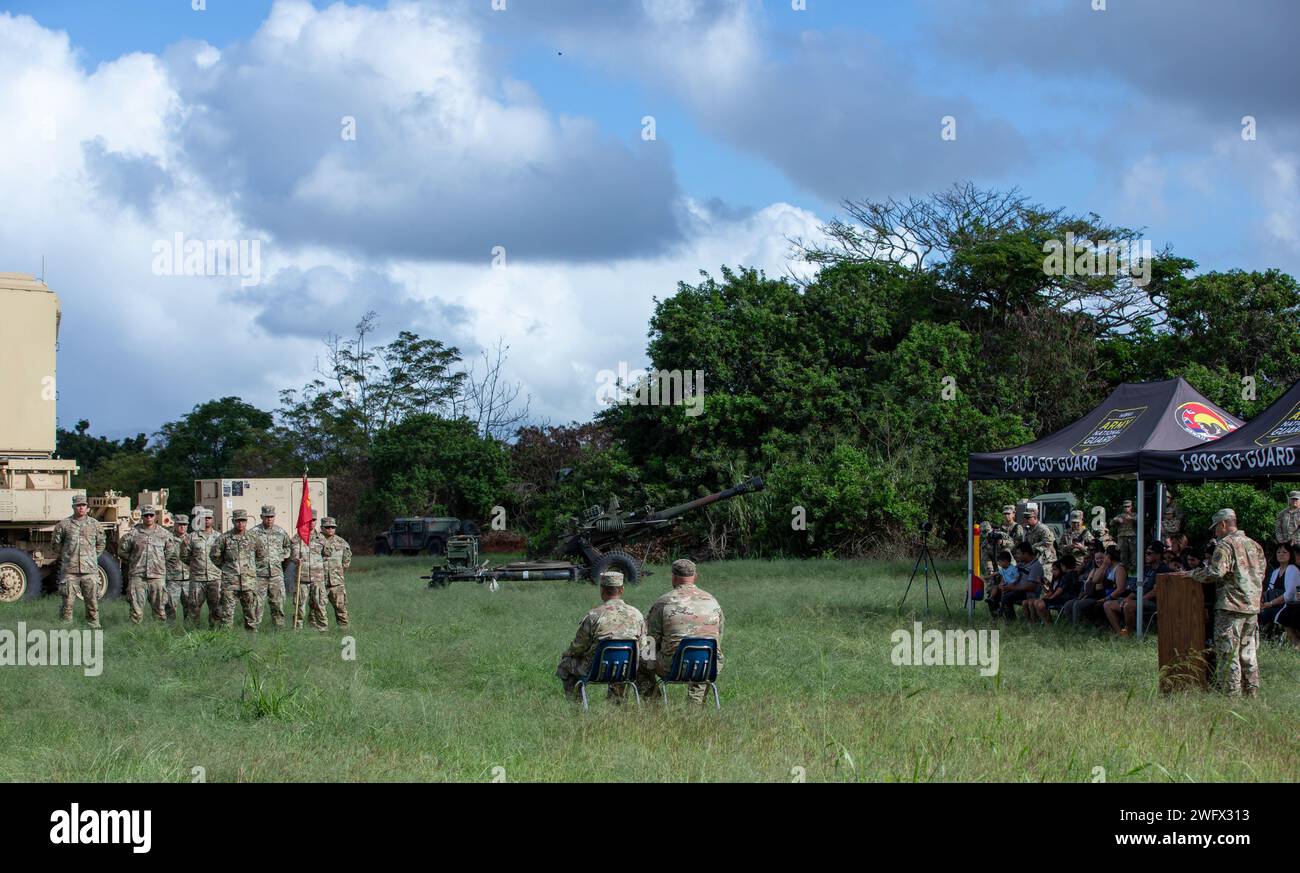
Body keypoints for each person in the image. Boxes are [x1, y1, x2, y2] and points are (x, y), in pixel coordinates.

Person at [1189, 508, 1266, 697]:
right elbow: (1261, 573)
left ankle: (1231, 695)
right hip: (1251, 607)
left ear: (1223, 524)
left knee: (1228, 652)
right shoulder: (1254, 545)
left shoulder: (1225, 545)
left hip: (1230, 607)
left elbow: (1216, 572)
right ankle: (1252, 692)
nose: (1215, 532)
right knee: (1248, 651)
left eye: (1216, 527)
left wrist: (1193, 574)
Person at [637, 559, 724, 704]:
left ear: (674, 577)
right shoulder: (712, 602)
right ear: (695, 576)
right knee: (701, 659)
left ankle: (653, 707)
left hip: (673, 666)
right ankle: (696, 705)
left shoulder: (663, 602)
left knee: (639, 661)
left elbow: (651, 640)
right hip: (709, 665)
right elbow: (718, 637)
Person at [556, 570, 647, 702]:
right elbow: (643, 648)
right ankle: (617, 703)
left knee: (565, 665)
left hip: (596, 670)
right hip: (626, 669)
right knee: (623, 663)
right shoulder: (637, 615)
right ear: (622, 589)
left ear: (602, 590)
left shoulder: (594, 616)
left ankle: (576, 705)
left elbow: (578, 647)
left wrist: (567, 654)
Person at [52, 493, 106, 628]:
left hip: (89, 571)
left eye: (83, 505)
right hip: (70, 571)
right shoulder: (64, 525)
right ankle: (66, 629)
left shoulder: (95, 525)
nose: (81, 508)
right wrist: (68, 556)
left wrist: (91, 557)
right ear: (73, 507)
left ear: (87, 507)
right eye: (78, 505)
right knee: (67, 604)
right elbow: (56, 545)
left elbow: (101, 543)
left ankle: (93, 626)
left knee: (92, 602)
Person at [119, 505, 180, 624]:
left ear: (155, 516)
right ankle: (135, 633)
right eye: (146, 515)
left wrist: (159, 562)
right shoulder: (133, 533)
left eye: (151, 515)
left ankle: (159, 633)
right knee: (136, 612)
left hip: (157, 577)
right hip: (138, 577)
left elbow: (170, 551)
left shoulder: (164, 534)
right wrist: (134, 561)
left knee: (159, 611)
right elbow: (122, 551)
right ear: (142, 517)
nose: (148, 517)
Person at [210, 508, 266, 632]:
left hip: (248, 583)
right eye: (238, 521)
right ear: (233, 521)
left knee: (251, 615)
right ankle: (227, 639)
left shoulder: (254, 538)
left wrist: (251, 569)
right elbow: (214, 555)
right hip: (230, 583)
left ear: (246, 521)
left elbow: (261, 556)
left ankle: (252, 639)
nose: (240, 523)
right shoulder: (224, 538)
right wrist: (226, 568)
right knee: (227, 615)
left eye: (243, 521)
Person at [1105, 542, 1167, 636]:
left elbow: (1155, 592)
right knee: (1108, 605)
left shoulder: (1163, 570)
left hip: (1154, 603)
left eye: (1149, 553)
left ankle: (1129, 633)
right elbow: (1138, 588)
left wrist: (1138, 600)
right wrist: (1128, 598)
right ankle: (1121, 633)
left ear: (1158, 555)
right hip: (1139, 600)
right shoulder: (1146, 569)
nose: (1146, 555)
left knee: (1128, 606)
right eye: (1145, 553)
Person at [250, 505, 293, 628]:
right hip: (259, 575)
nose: (269, 519)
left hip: (276, 575)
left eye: (271, 517)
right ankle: (253, 631)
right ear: (261, 517)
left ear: (274, 517)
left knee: (278, 605)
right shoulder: (253, 533)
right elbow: (248, 551)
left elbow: (288, 547)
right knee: (256, 606)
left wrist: (281, 557)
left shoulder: (280, 532)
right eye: (266, 517)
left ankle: (279, 630)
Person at [182, 510, 223, 627]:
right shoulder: (191, 537)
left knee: (216, 609)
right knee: (193, 608)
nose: (207, 520)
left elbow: (224, 556)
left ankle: (215, 633)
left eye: (209, 518)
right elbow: (184, 556)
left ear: (213, 519)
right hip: (197, 579)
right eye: (204, 518)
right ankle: (192, 633)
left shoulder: (219, 537)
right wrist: (196, 566)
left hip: (215, 578)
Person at [1259, 543, 1300, 648]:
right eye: (1278, 552)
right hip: (1274, 604)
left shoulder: (1293, 569)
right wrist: (1263, 602)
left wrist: (1271, 603)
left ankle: (1295, 644)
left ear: (1290, 554)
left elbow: (1289, 594)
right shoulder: (1275, 572)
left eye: (1284, 552)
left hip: (1287, 604)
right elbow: (1269, 590)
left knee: (1279, 615)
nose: (1281, 554)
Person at [987, 543, 1042, 620]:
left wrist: (1012, 587)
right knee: (991, 594)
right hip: (1015, 588)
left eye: (1018, 553)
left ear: (1026, 554)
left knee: (1006, 597)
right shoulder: (1021, 564)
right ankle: (996, 618)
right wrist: (1002, 584)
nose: (1016, 555)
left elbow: (1032, 587)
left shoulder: (1035, 566)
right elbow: (1009, 574)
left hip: (1027, 593)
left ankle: (1011, 621)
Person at [1025, 553, 1080, 624]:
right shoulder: (1075, 574)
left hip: (1064, 599)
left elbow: (1059, 591)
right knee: (1038, 602)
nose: (1052, 571)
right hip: (1070, 598)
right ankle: (1044, 623)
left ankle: (1048, 624)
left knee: (1039, 604)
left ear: (1063, 566)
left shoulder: (1066, 576)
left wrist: (1051, 598)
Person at [319, 517, 351, 630]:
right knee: (318, 609)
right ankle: (320, 632)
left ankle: (344, 630)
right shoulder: (315, 542)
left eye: (333, 527)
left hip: (337, 582)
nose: (330, 529)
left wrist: (337, 573)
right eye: (327, 527)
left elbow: (346, 561)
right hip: (320, 582)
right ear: (322, 528)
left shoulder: (342, 543)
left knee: (341, 607)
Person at [1022, 503, 1057, 583]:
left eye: (1028, 518)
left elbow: (1048, 542)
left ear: (1035, 517)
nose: (1026, 520)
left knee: (1045, 582)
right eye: (1025, 518)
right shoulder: (1029, 529)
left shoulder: (1042, 528)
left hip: (1046, 561)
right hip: (1036, 560)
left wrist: (1033, 547)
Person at [165, 514, 190, 622]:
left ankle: (189, 629)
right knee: (170, 608)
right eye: (180, 524)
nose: (182, 527)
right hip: (172, 579)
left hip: (188, 579)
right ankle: (170, 630)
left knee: (190, 607)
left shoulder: (191, 539)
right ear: (174, 524)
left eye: (185, 524)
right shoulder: (167, 538)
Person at [1112, 499, 1137, 569]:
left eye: (1128, 506)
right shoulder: (1120, 516)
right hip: (1122, 537)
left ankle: (1134, 570)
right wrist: (1116, 519)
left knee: (1134, 554)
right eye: (1125, 507)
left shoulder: (1135, 515)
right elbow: (1111, 523)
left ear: (1131, 507)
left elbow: (1140, 521)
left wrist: (1131, 519)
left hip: (1132, 537)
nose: (1126, 508)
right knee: (1123, 555)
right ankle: (1124, 570)